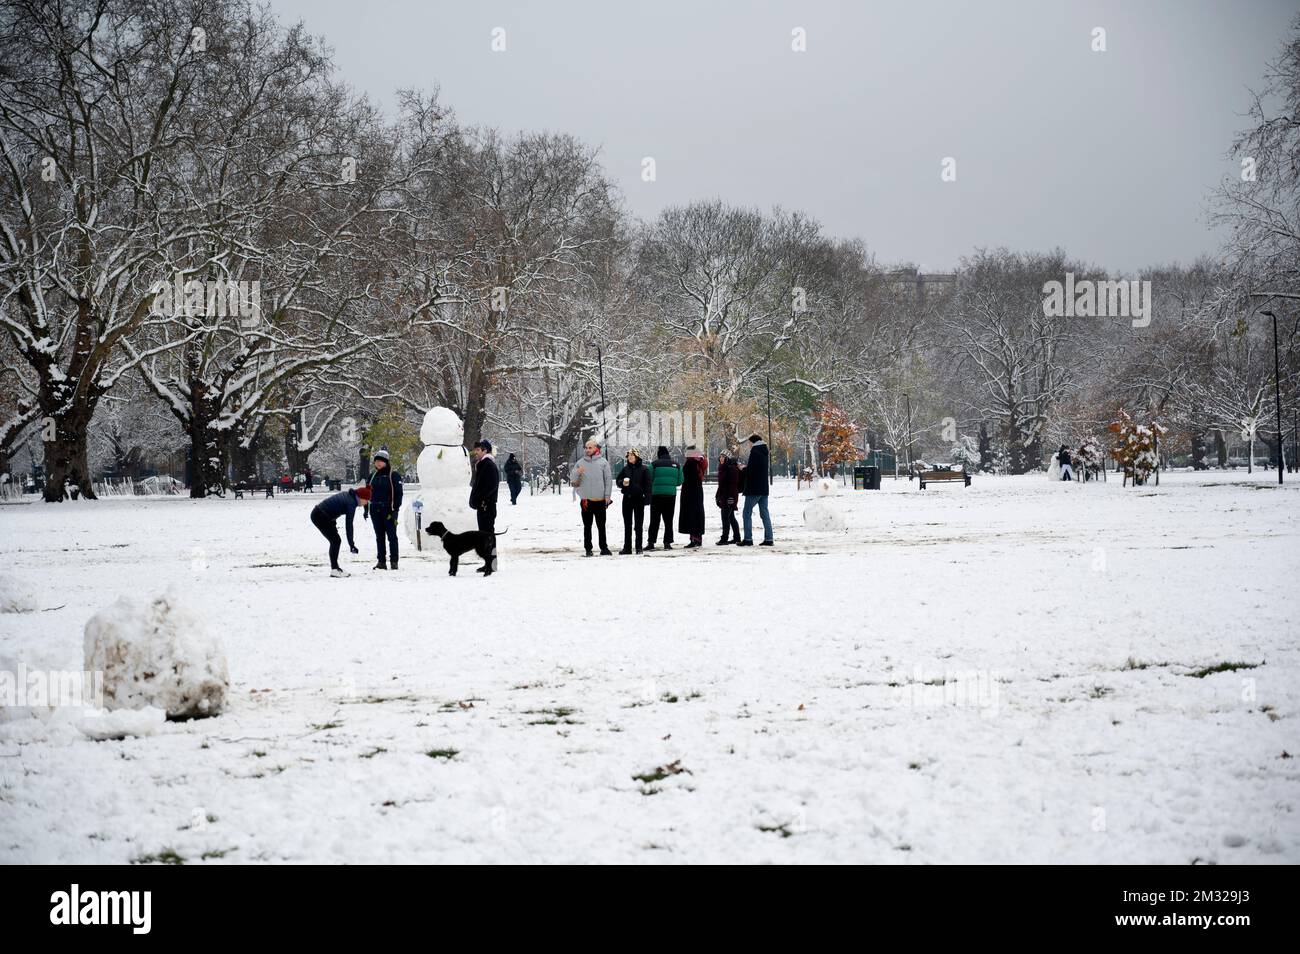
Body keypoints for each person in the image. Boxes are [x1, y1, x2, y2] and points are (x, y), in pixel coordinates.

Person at [310, 485, 370, 577]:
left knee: (335, 541)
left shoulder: (350, 496)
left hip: (324, 515)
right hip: (320, 516)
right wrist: (351, 544)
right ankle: (334, 569)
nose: (366, 503)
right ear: (361, 498)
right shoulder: (351, 503)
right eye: (366, 501)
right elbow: (349, 525)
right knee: (335, 541)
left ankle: (335, 568)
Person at [572, 439, 613, 555]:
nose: (587, 450)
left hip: (600, 500)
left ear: (596, 449)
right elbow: (573, 480)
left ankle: (604, 548)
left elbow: (608, 480)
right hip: (586, 501)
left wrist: (607, 496)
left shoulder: (603, 462)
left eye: (590, 448)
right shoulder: (580, 463)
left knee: (601, 526)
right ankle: (588, 549)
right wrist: (577, 472)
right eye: (586, 448)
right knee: (587, 526)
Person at [365, 449, 403, 569]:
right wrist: (366, 509)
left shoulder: (393, 475)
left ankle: (394, 561)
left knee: (392, 536)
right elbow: (367, 494)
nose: (378, 463)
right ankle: (381, 561)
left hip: (389, 510)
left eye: (381, 461)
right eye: (376, 461)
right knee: (379, 537)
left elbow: (399, 493)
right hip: (375, 510)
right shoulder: (372, 476)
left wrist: (395, 509)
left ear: (386, 462)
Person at [469, 439, 500, 571]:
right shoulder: (483, 465)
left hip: (487, 506)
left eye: (478, 450)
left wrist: (483, 500)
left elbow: (491, 486)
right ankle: (489, 562)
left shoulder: (488, 465)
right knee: (485, 534)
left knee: (488, 534)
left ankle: (492, 564)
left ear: (485, 451)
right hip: (483, 506)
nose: (476, 453)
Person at [739, 433, 773, 547]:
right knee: (765, 513)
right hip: (764, 488)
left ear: (753, 442)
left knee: (746, 513)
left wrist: (743, 469)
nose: (748, 445)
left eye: (749, 443)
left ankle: (748, 539)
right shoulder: (764, 451)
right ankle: (769, 538)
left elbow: (752, 471)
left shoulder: (755, 452)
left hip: (754, 489)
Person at [646, 445, 682, 551]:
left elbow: (649, 479)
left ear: (659, 454)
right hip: (670, 496)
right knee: (668, 520)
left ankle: (651, 543)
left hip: (656, 495)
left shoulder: (654, 464)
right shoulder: (677, 465)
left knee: (654, 520)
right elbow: (680, 481)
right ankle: (667, 543)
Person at [617, 448, 652, 554]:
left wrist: (647, 499)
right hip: (627, 498)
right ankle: (627, 548)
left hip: (639, 499)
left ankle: (638, 547)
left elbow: (648, 485)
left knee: (638, 525)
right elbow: (618, 481)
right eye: (628, 456)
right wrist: (622, 482)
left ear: (637, 457)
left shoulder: (644, 469)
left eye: (632, 456)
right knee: (627, 524)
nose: (630, 457)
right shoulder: (625, 469)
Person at [678, 445, 707, 548]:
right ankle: (697, 538)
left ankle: (693, 539)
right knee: (697, 513)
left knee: (691, 514)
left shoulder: (691, 462)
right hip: (698, 491)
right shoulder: (699, 461)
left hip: (690, 491)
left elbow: (687, 477)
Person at [715, 450, 742, 544]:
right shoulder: (723, 467)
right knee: (731, 517)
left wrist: (731, 498)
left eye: (723, 456)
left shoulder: (731, 468)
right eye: (720, 456)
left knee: (725, 517)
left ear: (727, 458)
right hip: (724, 495)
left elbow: (733, 484)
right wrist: (718, 496)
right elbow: (721, 485)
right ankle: (737, 537)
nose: (721, 458)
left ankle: (724, 538)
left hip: (729, 496)